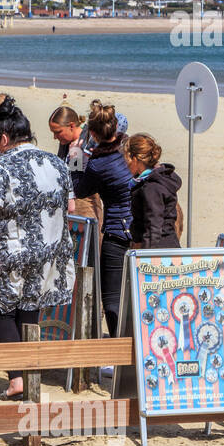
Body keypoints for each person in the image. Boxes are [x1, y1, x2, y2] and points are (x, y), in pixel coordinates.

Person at [0, 97, 76, 398]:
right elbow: (70, 206)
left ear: (3, 138)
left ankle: (17, 378)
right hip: (48, 252)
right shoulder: (57, 163)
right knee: (29, 312)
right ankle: (29, 375)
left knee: (1, 311)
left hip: (9, 250)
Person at [71, 102, 133, 337]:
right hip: (136, 226)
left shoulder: (99, 165)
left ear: (93, 134)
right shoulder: (125, 152)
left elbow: (78, 188)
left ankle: (120, 356)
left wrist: (76, 154)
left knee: (112, 300)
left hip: (117, 232)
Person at [125, 134, 182, 249]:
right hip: (162, 248)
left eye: (126, 159)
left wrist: (145, 259)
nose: (125, 164)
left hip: (159, 253)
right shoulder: (150, 182)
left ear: (135, 159)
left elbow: (153, 227)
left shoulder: (152, 187)